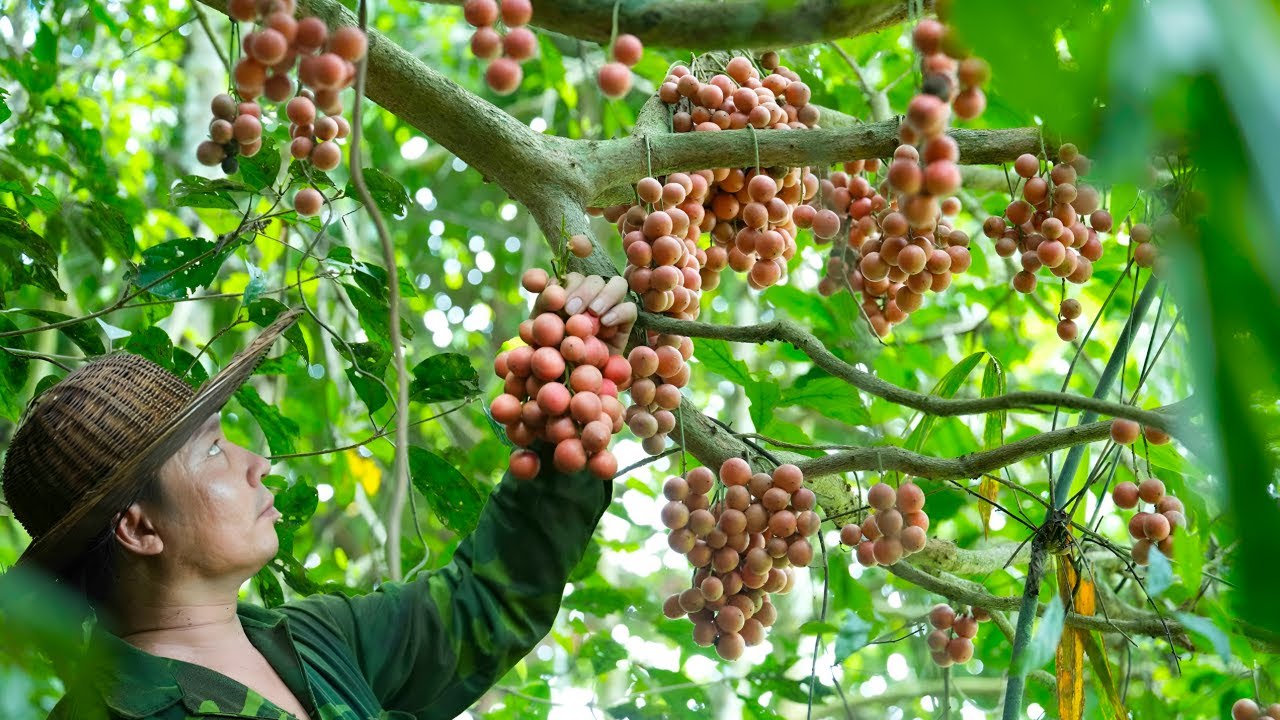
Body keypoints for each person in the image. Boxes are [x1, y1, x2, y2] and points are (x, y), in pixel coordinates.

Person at [0, 274, 637, 720]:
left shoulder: (309, 638)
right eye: (216, 451)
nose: (258, 463)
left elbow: (488, 603)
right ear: (140, 528)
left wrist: (570, 411)